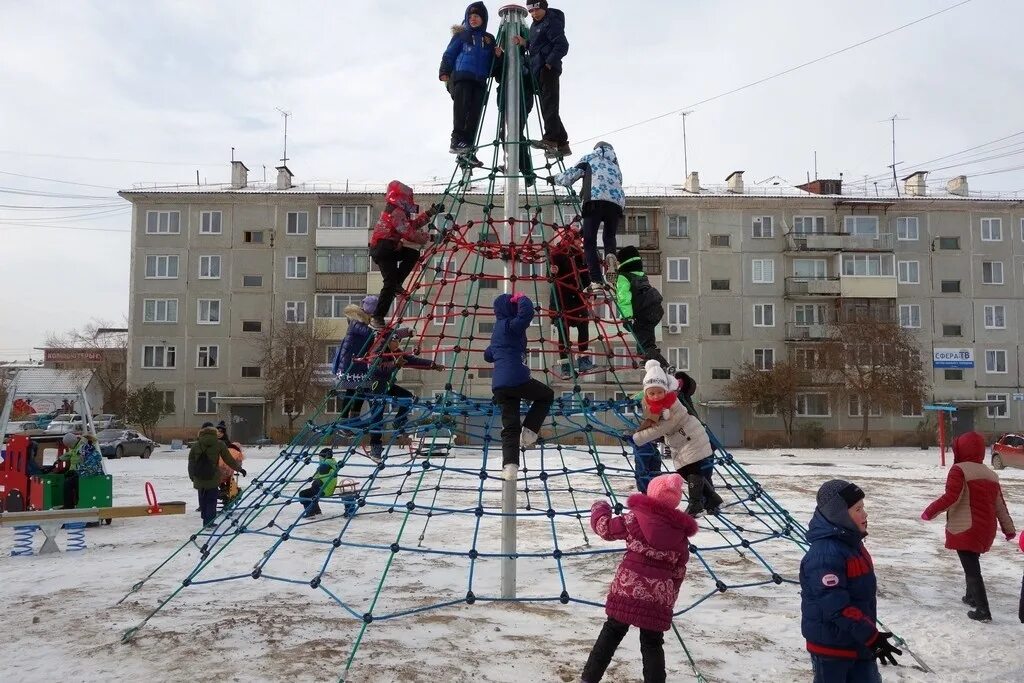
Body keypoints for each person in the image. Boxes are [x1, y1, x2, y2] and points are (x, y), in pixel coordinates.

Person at [582, 473, 698, 683]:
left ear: (650, 494)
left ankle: (588, 679)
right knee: (652, 642)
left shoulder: (634, 518)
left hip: (628, 587)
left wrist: (600, 509)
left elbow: (605, 528)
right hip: (658, 594)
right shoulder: (680, 534)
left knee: (611, 632)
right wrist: (669, 598)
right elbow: (679, 569)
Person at [801, 479, 901, 682]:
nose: (865, 514)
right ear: (840, 514)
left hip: (858, 641)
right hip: (832, 649)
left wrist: (868, 635)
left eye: (863, 507)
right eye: (857, 509)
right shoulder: (825, 554)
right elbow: (837, 606)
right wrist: (871, 636)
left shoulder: (851, 544)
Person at [921, 431, 1016, 622]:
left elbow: (951, 497)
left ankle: (983, 610)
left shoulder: (959, 470)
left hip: (966, 527)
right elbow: (1000, 505)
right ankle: (970, 596)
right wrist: (1008, 529)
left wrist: (930, 512)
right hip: (985, 529)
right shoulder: (990, 474)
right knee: (972, 561)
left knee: (972, 568)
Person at [631, 361, 720, 516]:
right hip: (683, 440)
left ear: (666, 391)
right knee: (684, 471)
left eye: (659, 392)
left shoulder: (671, 403)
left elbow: (662, 427)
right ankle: (712, 498)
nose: (656, 396)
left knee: (693, 469)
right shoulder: (653, 406)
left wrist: (637, 438)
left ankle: (696, 504)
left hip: (692, 438)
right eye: (652, 393)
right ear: (646, 394)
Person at [484, 292, 554, 480]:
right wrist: (521, 298)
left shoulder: (497, 330)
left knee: (510, 427)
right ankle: (530, 430)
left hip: (499, 387)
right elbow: (526, 314)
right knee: (546, 395)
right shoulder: (510, 325)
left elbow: (488, 355)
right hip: (516, 379)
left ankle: (510, 466)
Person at [368, 180, 441, 330]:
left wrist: (429, 214)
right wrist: (431, 238)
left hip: (390, 248)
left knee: (412, 254)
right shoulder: (395, 211)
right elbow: (409, 233)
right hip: (383, 249)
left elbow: (410, 226)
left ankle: (397, 285)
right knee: (389, 283)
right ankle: (377, 317)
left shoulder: (398, 211)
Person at [365, 332, 445, 463]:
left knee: (408, 398)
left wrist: (433, 365)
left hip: (387, 385)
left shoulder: (396, 353)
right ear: (388, 341)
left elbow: (413, 361)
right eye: (394, 341)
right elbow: (378, 368)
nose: (397, 344)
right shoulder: (379, 351)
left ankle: (398, 420)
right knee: (377, 415)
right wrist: (395, 365)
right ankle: (375, 448)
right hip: (374, 386)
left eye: (399, 342)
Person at [552, 142, 625, 285]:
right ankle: (611, 257)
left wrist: (554, 179)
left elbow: (569, 177)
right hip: (616, 205)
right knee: (609, 237)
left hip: (594, 201)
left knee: (589, 242)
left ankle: (596, 279)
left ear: (596, 149)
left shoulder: (590, 158)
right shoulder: (616, 167)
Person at [440, 3, 499, 163]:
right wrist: (444, 71)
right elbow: (449, 54)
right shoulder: (462, 36)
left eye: (477, 16)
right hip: (463, 76)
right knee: (462, 108)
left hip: (480, 80)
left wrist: (498, 55)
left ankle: (468, 149)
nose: (473, 19)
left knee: (475, 113)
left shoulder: (489, 39)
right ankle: (456, 140)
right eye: (471, 17)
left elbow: (493, 65)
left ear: (483, 19)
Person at [514, 1, 569, 158]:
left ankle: (551, 139)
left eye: (537, 9)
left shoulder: (551, 22)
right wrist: (524, 42)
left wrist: (549, 63)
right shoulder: (534, 26)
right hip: (538, 69)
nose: (534, 13)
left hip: (547, 69)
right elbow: (536, 46)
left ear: (544, 7)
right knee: (547, 106)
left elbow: (562, 44)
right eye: (531, 11)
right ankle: (563, 143)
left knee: (549, 104)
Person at [614, 246, 668, 368]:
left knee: (644, 344)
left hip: (644, 312)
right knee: (646, 339)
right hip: (655, 309)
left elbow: (624, 298)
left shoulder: (623, 277)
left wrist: (626, 318)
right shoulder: (641, 274)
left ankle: (662, 365)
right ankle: (649, 359)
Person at [549, 230, 592, 378]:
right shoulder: (559, 253)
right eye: (578, 239)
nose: (580, 242)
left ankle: (583, 360)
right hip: (562, 300)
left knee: (583, 325)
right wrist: (553, 271)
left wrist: (587, 285)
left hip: (576, 298)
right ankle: (566, 366)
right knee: (563, 333)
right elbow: (553, 269)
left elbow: (586, 277)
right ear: (571, 239)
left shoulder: (580, 256)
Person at [332, 295, 380, 421]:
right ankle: (344, 418)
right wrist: (376, 329)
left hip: (359, 362)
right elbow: (367, 332)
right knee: (351, 391)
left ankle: (354, 417)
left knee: (361, 390)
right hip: (350, 362)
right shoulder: (355, 322)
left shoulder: (364, 322)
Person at [188, 422, 245, 527]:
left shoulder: (196, 445)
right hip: (213, 476)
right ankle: (209, 522)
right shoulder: (219, 444)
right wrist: (239, 469)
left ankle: (205, 519)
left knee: (203, 499)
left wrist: (192, 476)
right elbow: (229, 460)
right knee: (211, 500)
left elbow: (191, 462)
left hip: (199, 476)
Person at [58, 432, 105, 509]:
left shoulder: (84, 448)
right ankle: (70, 504)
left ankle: (71, 505)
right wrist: (60, 459)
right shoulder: (76, 447)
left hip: (89, 474)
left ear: (71, 443)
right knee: (68, 482)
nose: (69, 447)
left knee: (70, 484)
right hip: (81, 472)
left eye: (69, 445)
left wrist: (78, 471)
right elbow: (70, 454)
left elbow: (91, 465)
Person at [299, 448, 339, 519]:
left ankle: (310, 512)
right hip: (326, 489)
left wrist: (315, 481)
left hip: (323, 490)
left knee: (304, 494)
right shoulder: (332, 464)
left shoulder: (324, 466)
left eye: (320, 457)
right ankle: (316, 511)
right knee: (310, 493)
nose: (319, 459)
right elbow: (318, 477)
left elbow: (318, 478)